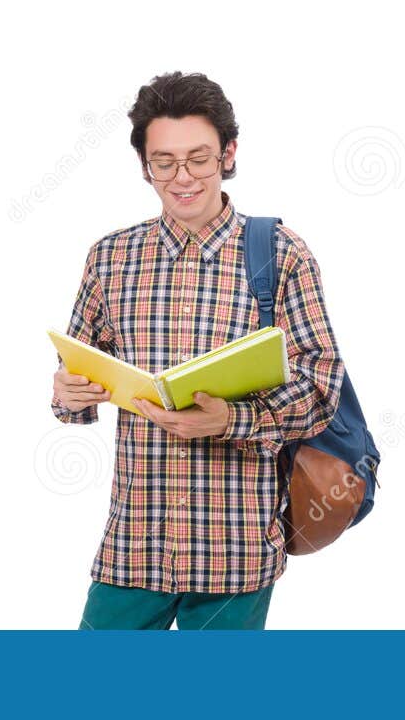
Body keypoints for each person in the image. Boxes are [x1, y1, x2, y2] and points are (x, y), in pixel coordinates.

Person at [52, 72, 345, 630]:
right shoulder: (110, 259)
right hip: (134, 546)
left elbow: (321, 387)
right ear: (144, 164)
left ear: (228, 154)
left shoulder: (281, 256)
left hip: (234, 554)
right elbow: (75, 392)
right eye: (164, 162)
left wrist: (230, 419)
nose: (182, 178)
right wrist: (68, 390)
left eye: (199, 159)